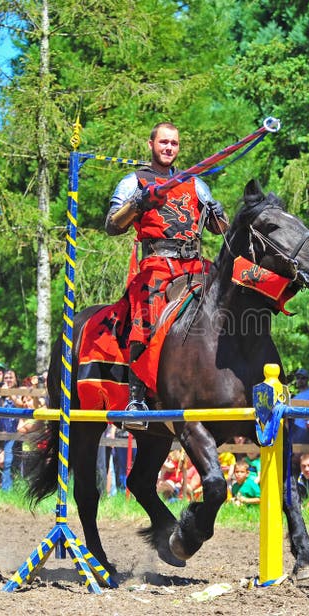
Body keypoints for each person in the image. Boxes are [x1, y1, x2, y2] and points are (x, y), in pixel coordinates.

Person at [104, 121, 229, 412]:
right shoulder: (135, 181)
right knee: (147, 311)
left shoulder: (195, 183)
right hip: (157, 265)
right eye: (163, 142)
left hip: (195, 264)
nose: (168, 148)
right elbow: (112, 225)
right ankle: (137, 397)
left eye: (173, 143)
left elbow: (219, 229)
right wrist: (138, 203)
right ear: (151, 144)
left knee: (227, 301)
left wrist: (219, 214)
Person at [0, 369, 24, 490]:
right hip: (7, 434)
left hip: (21, 433)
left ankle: (14, 488)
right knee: (7, 462)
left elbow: (21, 405)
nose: (8, 380)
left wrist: (10, 393)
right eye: (6, 378)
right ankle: (7, 489)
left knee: (19, 462)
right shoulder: (2, 397)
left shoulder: (20, 392)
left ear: (16, 379)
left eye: (11, 377)